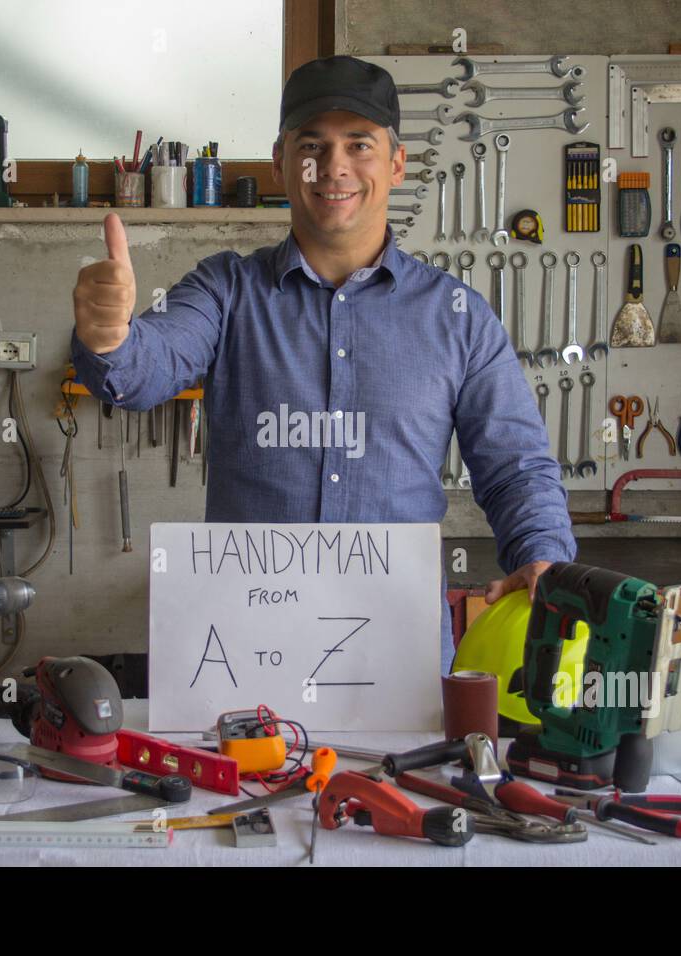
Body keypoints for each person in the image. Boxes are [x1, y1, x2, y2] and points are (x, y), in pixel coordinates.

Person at [71, 55, 575, 671]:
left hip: (399, 658)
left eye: (358, 144)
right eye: (312, 145)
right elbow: (147, 369)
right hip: (242, 653)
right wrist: (109, 338)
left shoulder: (458, 317)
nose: (333, 166)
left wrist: (543, 552)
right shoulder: (226, 291)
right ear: (282, 164)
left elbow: (516, 467)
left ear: (395, 164)